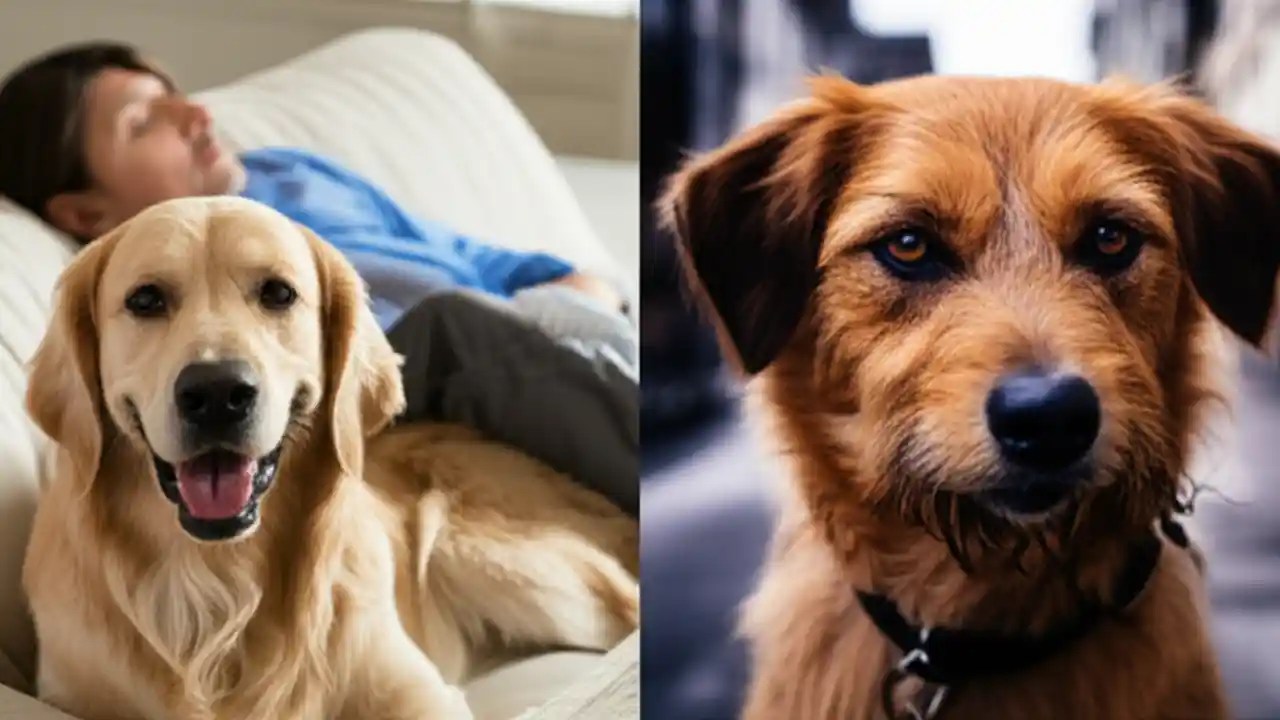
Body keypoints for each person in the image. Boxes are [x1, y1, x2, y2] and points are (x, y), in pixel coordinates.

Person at [0, 42, 637, 515]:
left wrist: (575, 286)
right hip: (392, 365)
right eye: (143, 123)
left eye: (174, 95)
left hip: (524, 338)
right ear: (85, 214)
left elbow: (474, 256)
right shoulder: (121, 280)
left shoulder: (291, 169)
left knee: (569, 320)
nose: (193, 113)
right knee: (453, 322)